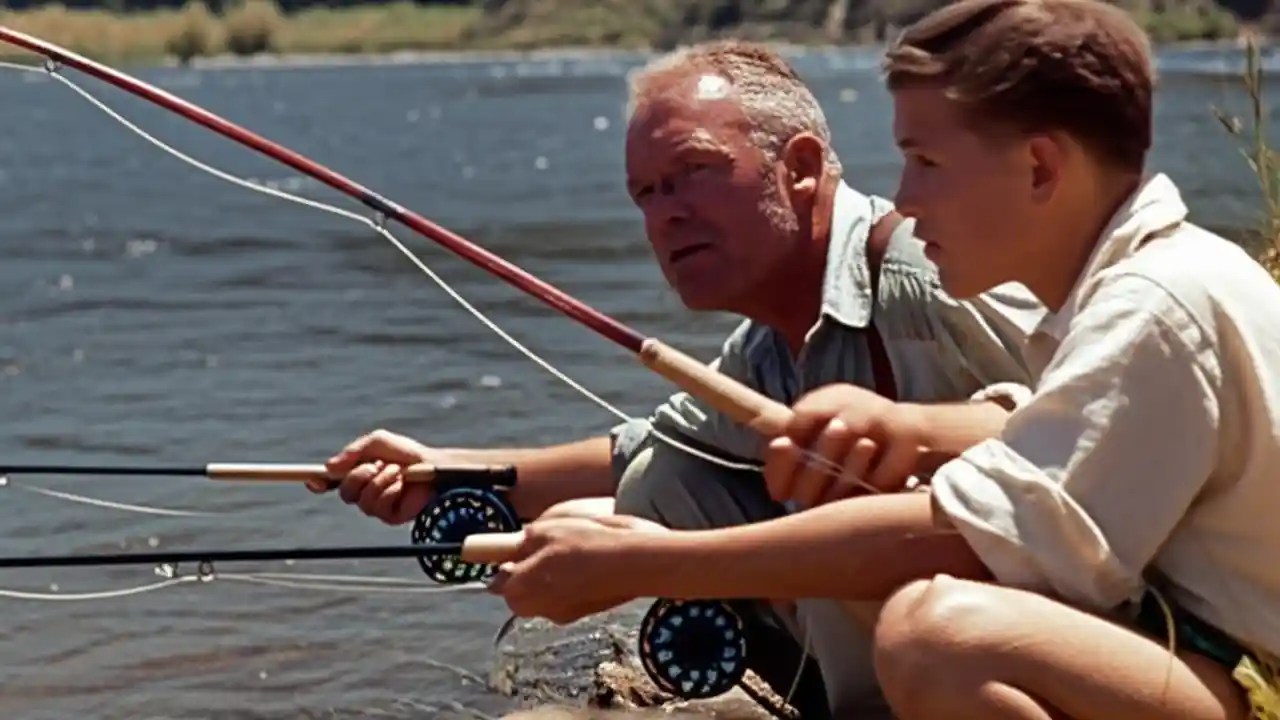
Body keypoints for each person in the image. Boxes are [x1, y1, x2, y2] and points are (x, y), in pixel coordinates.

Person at [484, 2, 1280, 719]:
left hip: (1245, 677)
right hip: (1216, 660)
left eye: (926, 163)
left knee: (939, 636)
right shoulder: (1142, 288)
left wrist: (660, 563)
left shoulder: (1155, 305)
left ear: (1041, 168)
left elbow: (969, 539)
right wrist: (915, 426)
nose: (905, 198)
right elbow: (1032, 436)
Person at [316, 40, 1042, 718]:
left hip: (1035, 638)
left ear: (800, 166)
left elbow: (1093, 443)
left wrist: (648, 561)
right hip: (928, 633)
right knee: (667, 480)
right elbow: (645, 452)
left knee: (838, 494)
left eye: (694, 173)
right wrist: (445, 473)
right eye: (647, 194)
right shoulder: (767, 342)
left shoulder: (932, 280)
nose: (666, 215)